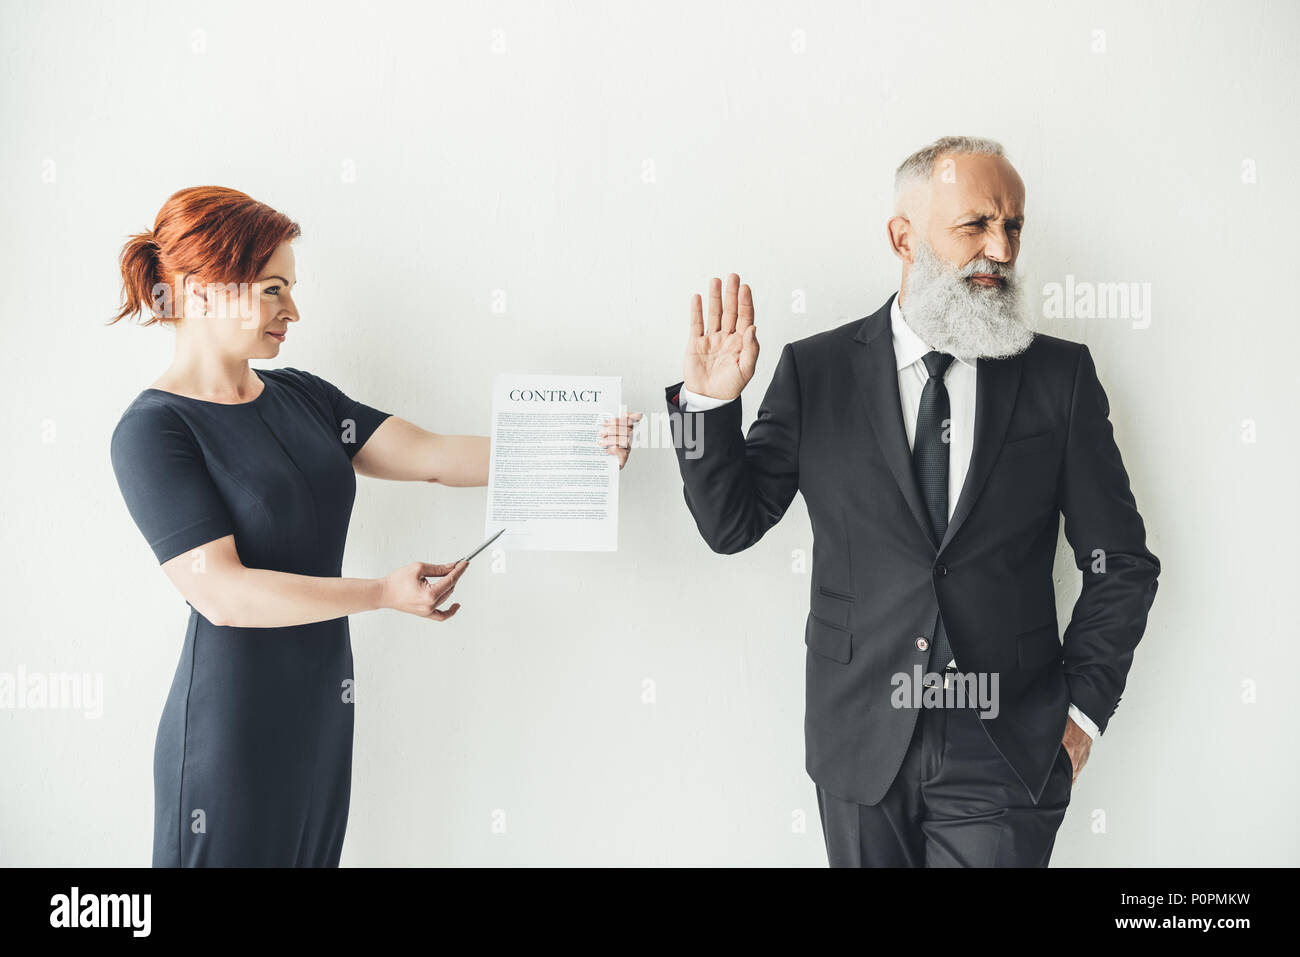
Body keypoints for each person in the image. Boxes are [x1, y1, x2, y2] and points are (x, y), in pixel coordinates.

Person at [664, 136, 1160, 867]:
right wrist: (708, 407)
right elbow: (730, 524)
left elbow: (1121, 562)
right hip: (859, 739)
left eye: (1013, 226)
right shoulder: (817, 370)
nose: (1000, 247)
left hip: (1005, 744)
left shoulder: (1061, 378)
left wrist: (1082, 711)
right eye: (976, 225)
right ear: (904, 237)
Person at [108, 186, 639, 866]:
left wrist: (579, 446)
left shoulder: (303, 396)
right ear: (203, 289)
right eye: (273, 290)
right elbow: (224, 595)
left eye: (290, 289)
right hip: (231, 730)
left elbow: (433, 456)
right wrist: (382, 593)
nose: (292, 311)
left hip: (324, 712)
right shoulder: (154, 430)